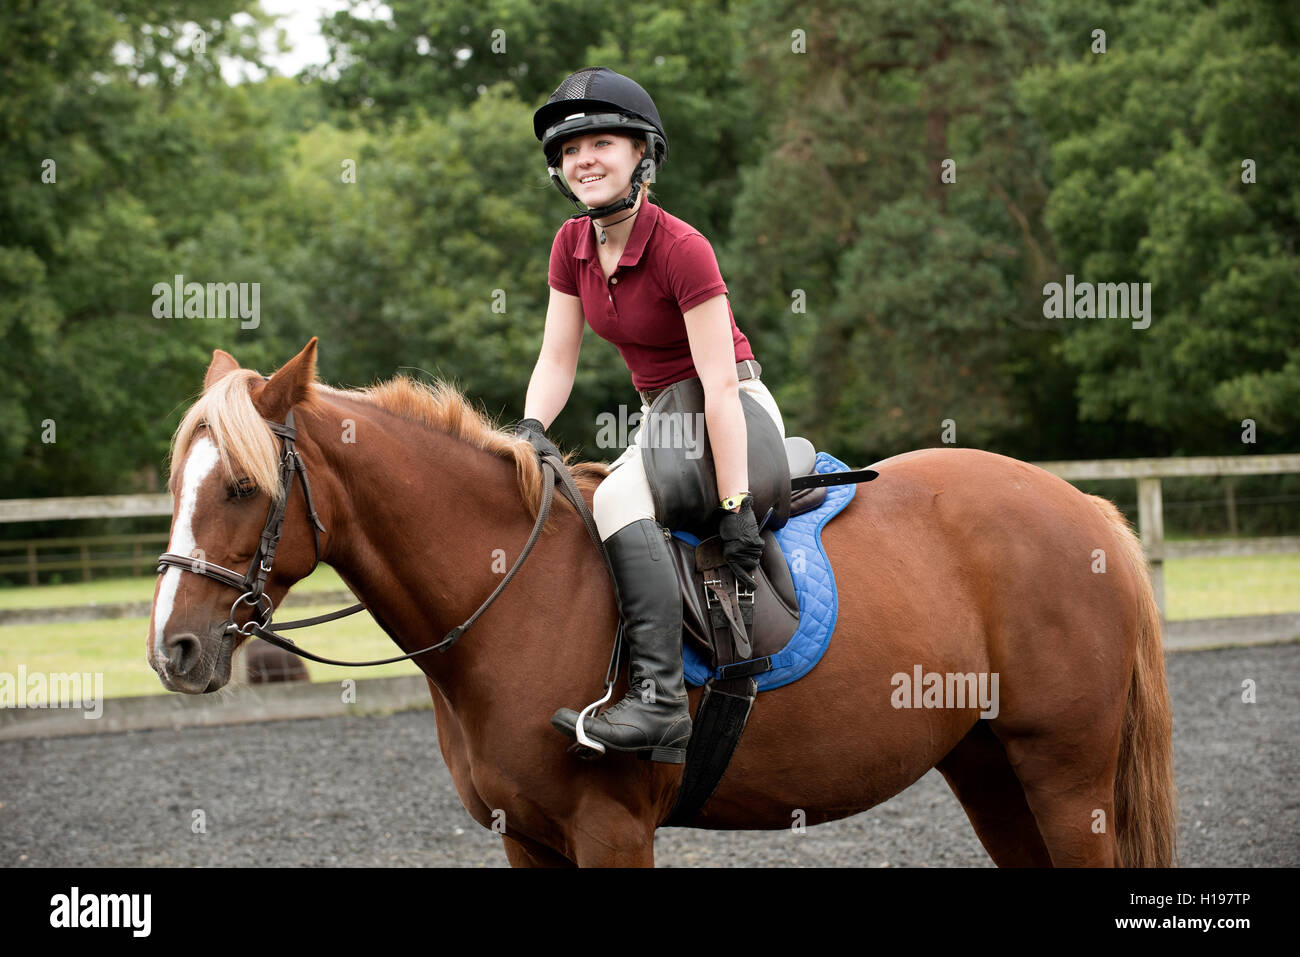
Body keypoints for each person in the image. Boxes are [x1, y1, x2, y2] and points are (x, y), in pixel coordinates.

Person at [517, 67, 786, 764]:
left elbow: (720, 388)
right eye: (570, 150)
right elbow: (556, 361)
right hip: (663, 413)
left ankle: (663, 704)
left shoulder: (682, 247)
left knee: (616, 498)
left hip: (729, 403)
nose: (584, 160)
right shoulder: (570, 246)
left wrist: (734, 503)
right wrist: (531, 429)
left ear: (643, 154)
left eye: (602, 141)